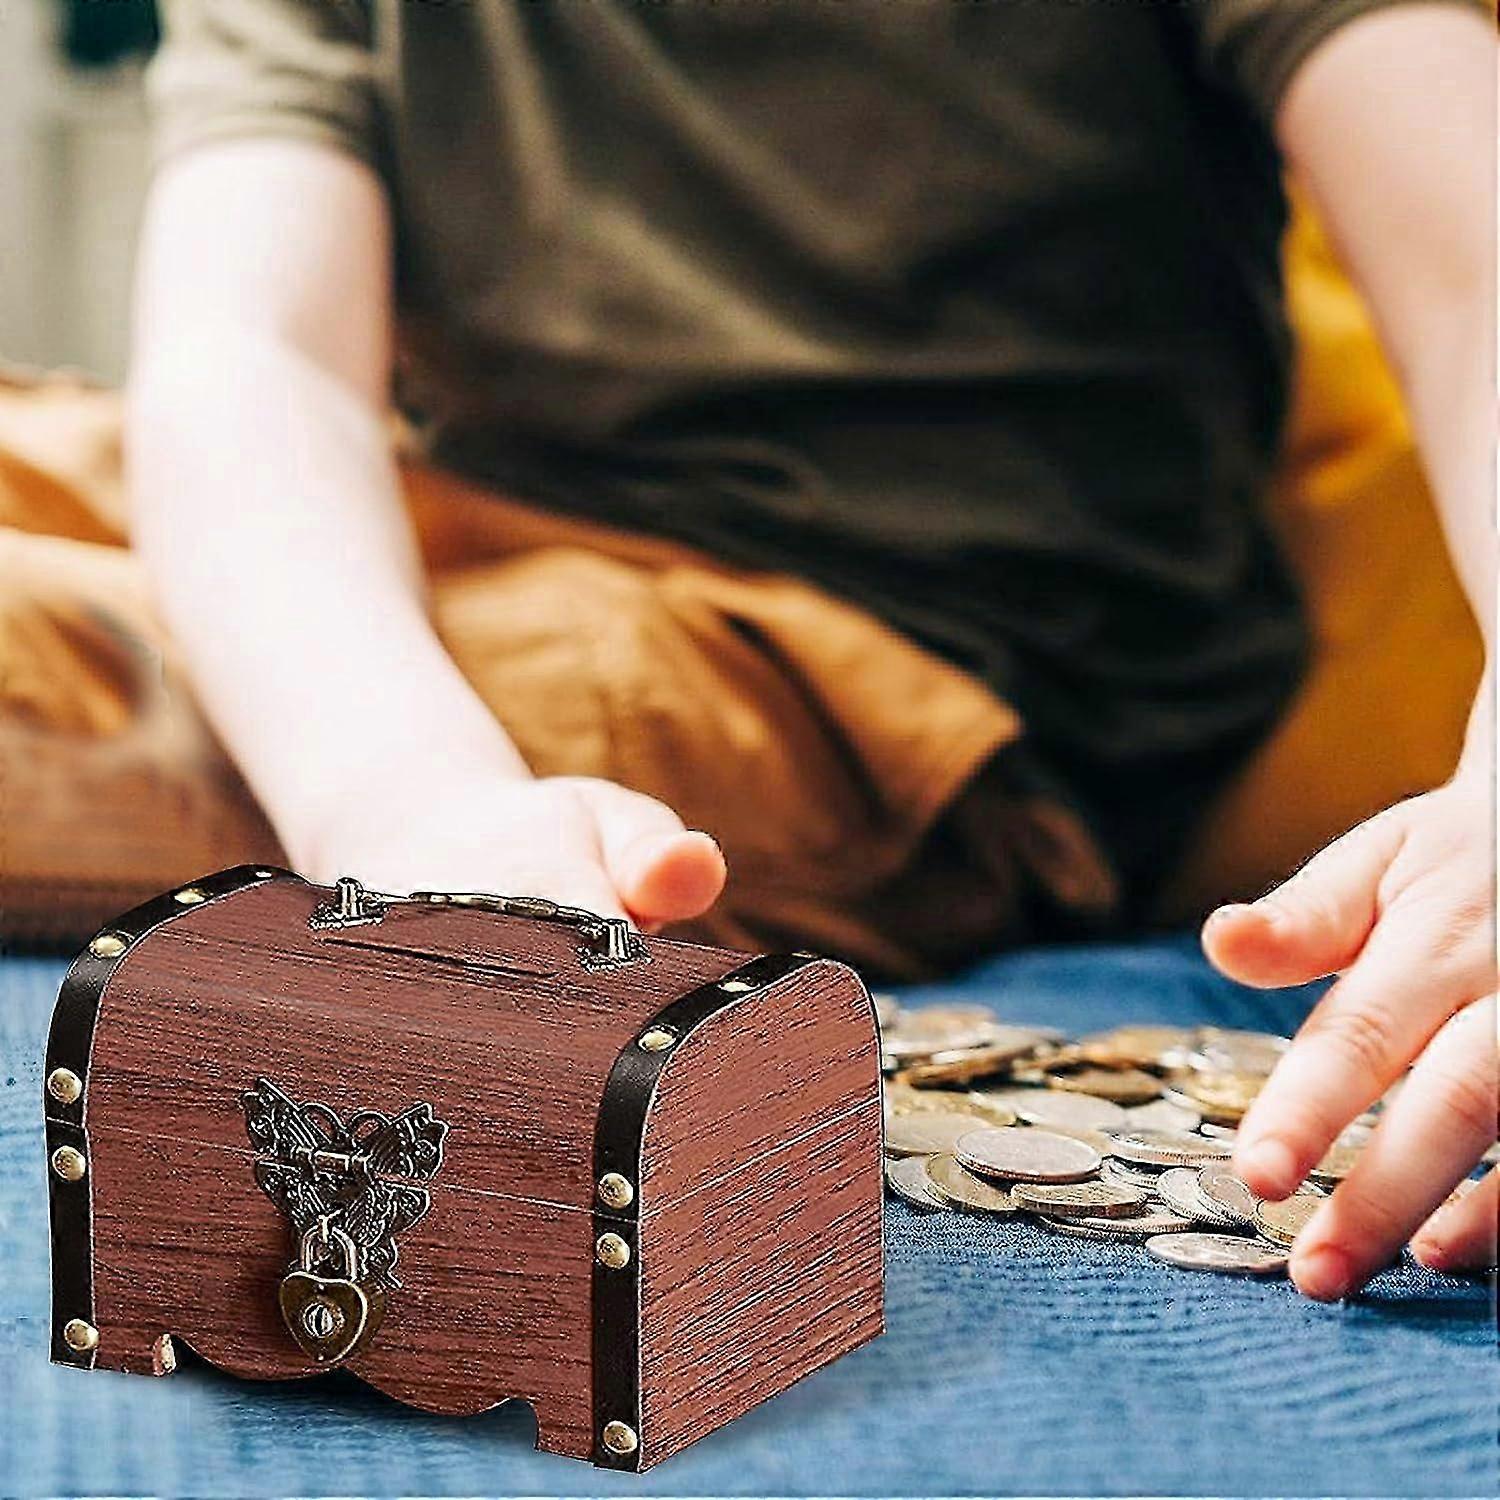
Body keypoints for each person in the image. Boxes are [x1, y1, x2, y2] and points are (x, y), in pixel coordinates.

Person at [12, 0, 1498, 1298]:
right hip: (449, 514)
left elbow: (1474, 265)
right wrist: (407, 803)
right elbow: (250, 367)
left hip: (879, 662)